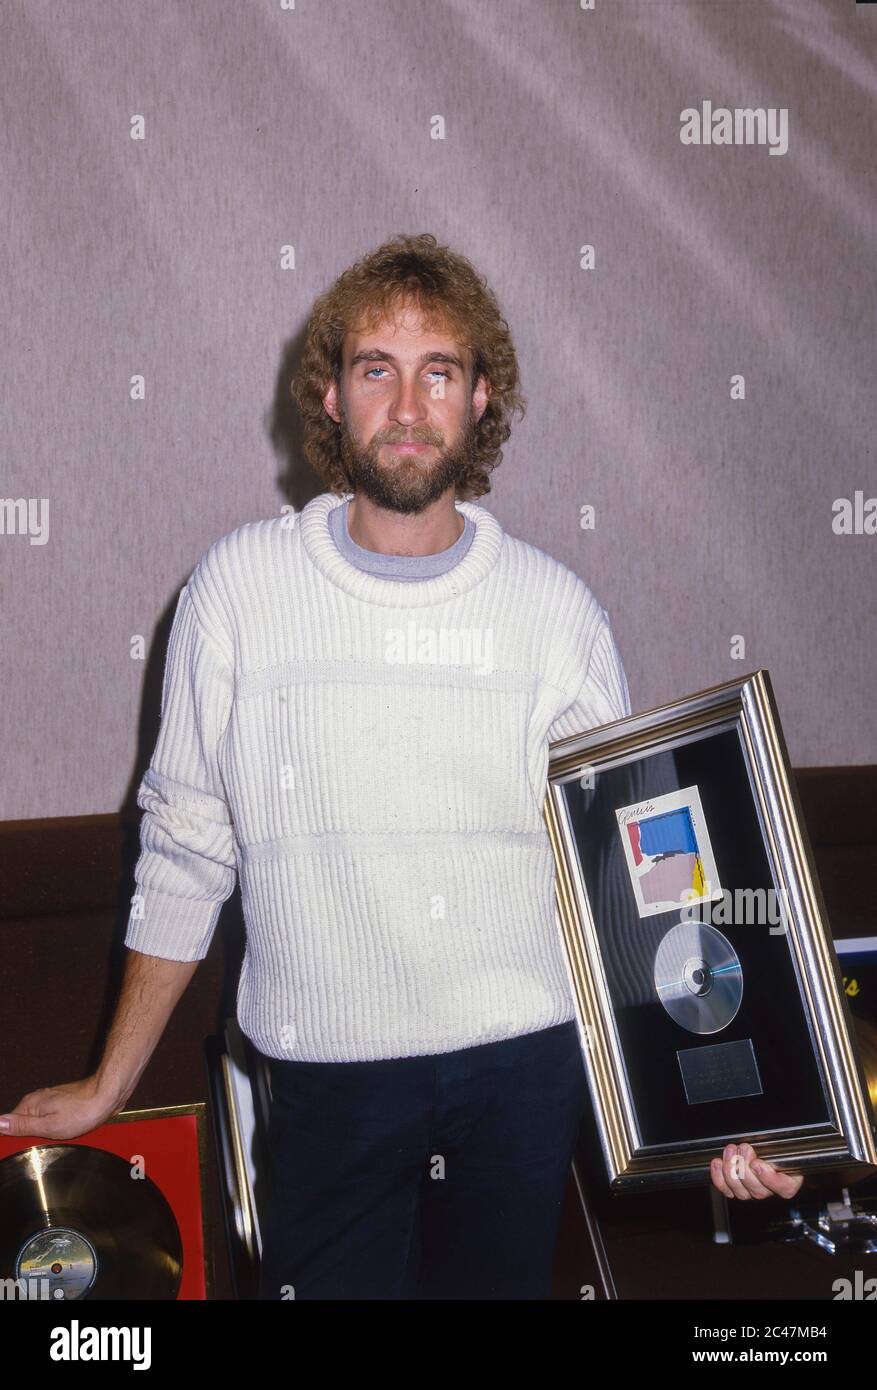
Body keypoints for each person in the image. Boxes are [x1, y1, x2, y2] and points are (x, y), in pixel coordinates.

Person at [0, 233, 802, 1299]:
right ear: (331, 395)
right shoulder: (237, 590)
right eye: (377, 367)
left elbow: (639, 880)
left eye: (441, 372)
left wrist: (711, 1113)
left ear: (481, 400)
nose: (409, 403)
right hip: (322, 1087)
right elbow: (189, 844)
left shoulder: (554, 612)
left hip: (523, 1072)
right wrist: (111, 1081)